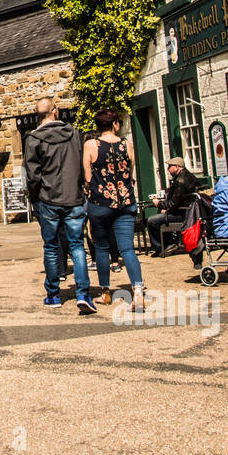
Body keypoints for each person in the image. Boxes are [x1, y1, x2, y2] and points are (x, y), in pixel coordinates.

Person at [24, 97, 95, 313]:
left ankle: (53, 294)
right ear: (55, 111)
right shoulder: (73, 133)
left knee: (51, 247)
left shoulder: (33, 138)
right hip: (73, 197)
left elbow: (32, 174)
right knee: (77, 246)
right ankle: (83, 293)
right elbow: (82, 163)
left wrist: (35, 197)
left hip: (48, 199)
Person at [84, 109, 145, 310]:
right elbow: (131, 169)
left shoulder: (91, 145)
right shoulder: (126, 144)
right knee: (127, 248)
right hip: (126, 202)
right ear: (115, 125)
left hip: (101, 203)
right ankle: (137, 290)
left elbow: (87, 177)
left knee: (101, 248)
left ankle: (105, 292)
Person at [146, 157, 199, 255]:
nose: (168, 169)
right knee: (160, 214)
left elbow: (174, 203)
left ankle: (161, 247)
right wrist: (165, 208)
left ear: (177, 167)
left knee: (151, 221)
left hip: (183, 214)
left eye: (170, 166)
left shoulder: (181, 181)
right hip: (188, 211)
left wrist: (160, 204)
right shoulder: (188, 176)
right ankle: (169, 241)